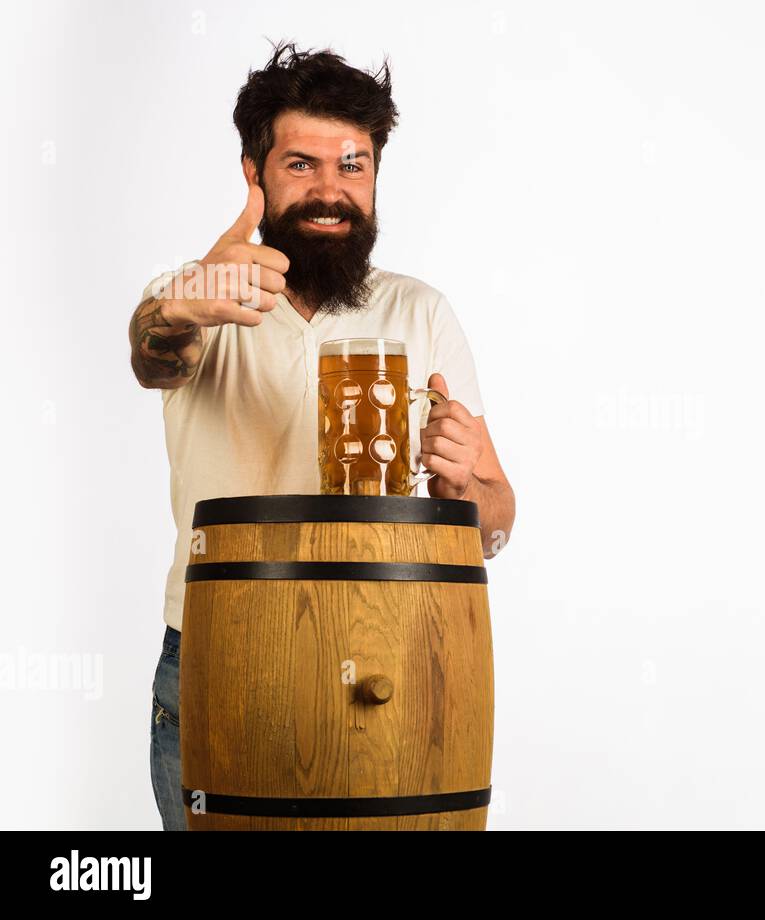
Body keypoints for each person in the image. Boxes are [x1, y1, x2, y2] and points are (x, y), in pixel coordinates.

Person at [131, 41, 516, 830]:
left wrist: (464, 487)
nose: (331, 191)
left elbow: (497, 517)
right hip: (222, 655)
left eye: (353, 165)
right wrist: (182, 309)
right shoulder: (199, 296)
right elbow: (150, 351)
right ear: (254, 174)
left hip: (396, 653)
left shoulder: (420, 312)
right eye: (301, 165)